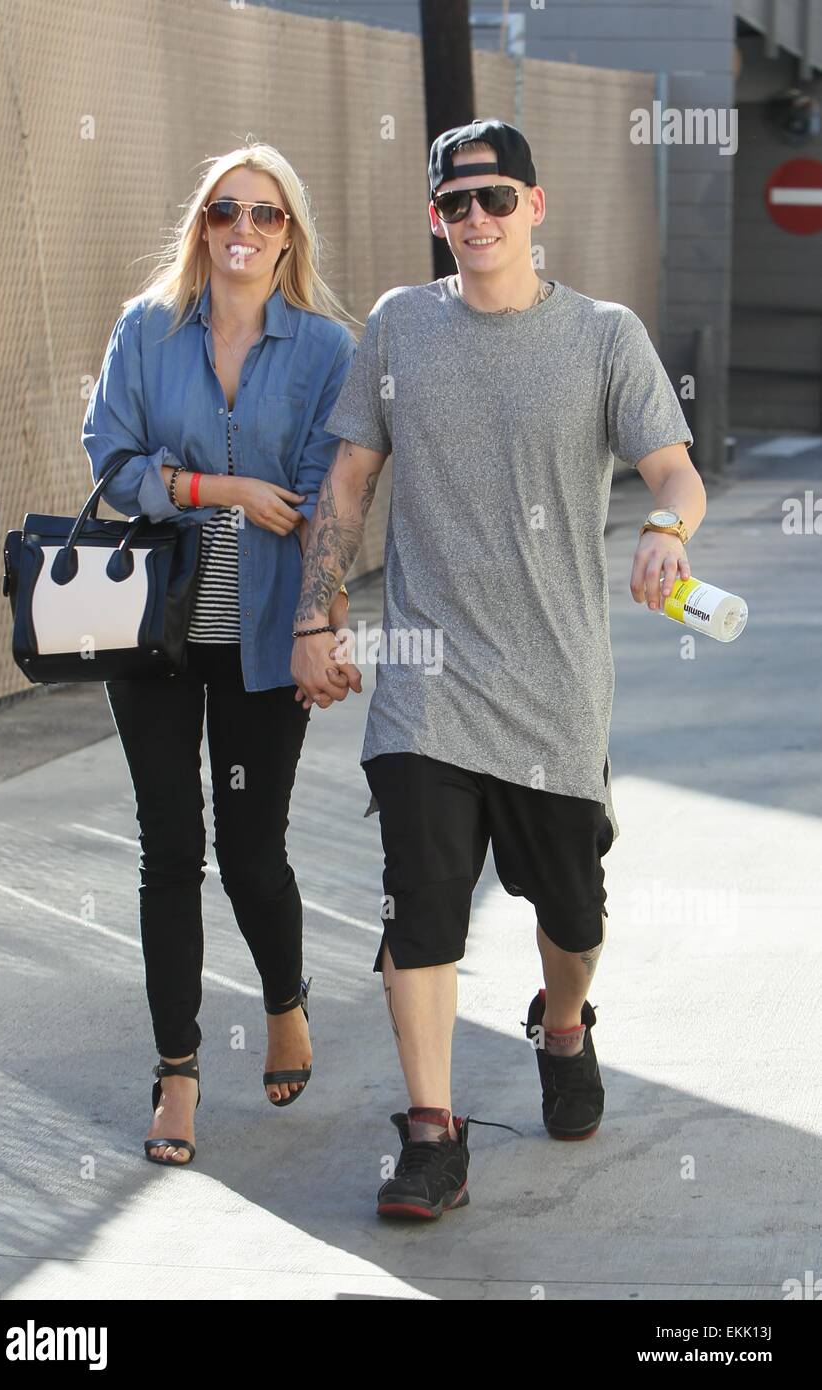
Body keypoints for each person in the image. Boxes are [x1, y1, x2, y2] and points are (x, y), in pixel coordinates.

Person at [291, 118, 706, 1218]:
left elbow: (672, 466)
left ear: (534, 205)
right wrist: (315, 616)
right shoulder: (395, 327)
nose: (474, 219)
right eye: (453, 204)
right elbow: (344, 484)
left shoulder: (603, 335)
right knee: (420, 908)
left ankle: (560, 1022)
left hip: (556, 686)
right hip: (426, 678)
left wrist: (667, 526)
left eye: (494, 198)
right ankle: (430, 1134)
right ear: (434, 218)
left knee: (572, 915)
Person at [82, 142, 357, 1166]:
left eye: (266, 216)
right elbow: (111, 462)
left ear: (290, 235)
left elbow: (333, 499)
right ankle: (178, 1071)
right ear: (201, 224)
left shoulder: (328, 350)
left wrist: (318, 623)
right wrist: (219, 491)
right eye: (224, 212)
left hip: (263, 629)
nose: (243, 230)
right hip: (153, 627)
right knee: (169, 846)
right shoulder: (146, 331)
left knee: (250, 851)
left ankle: (283, 1000)